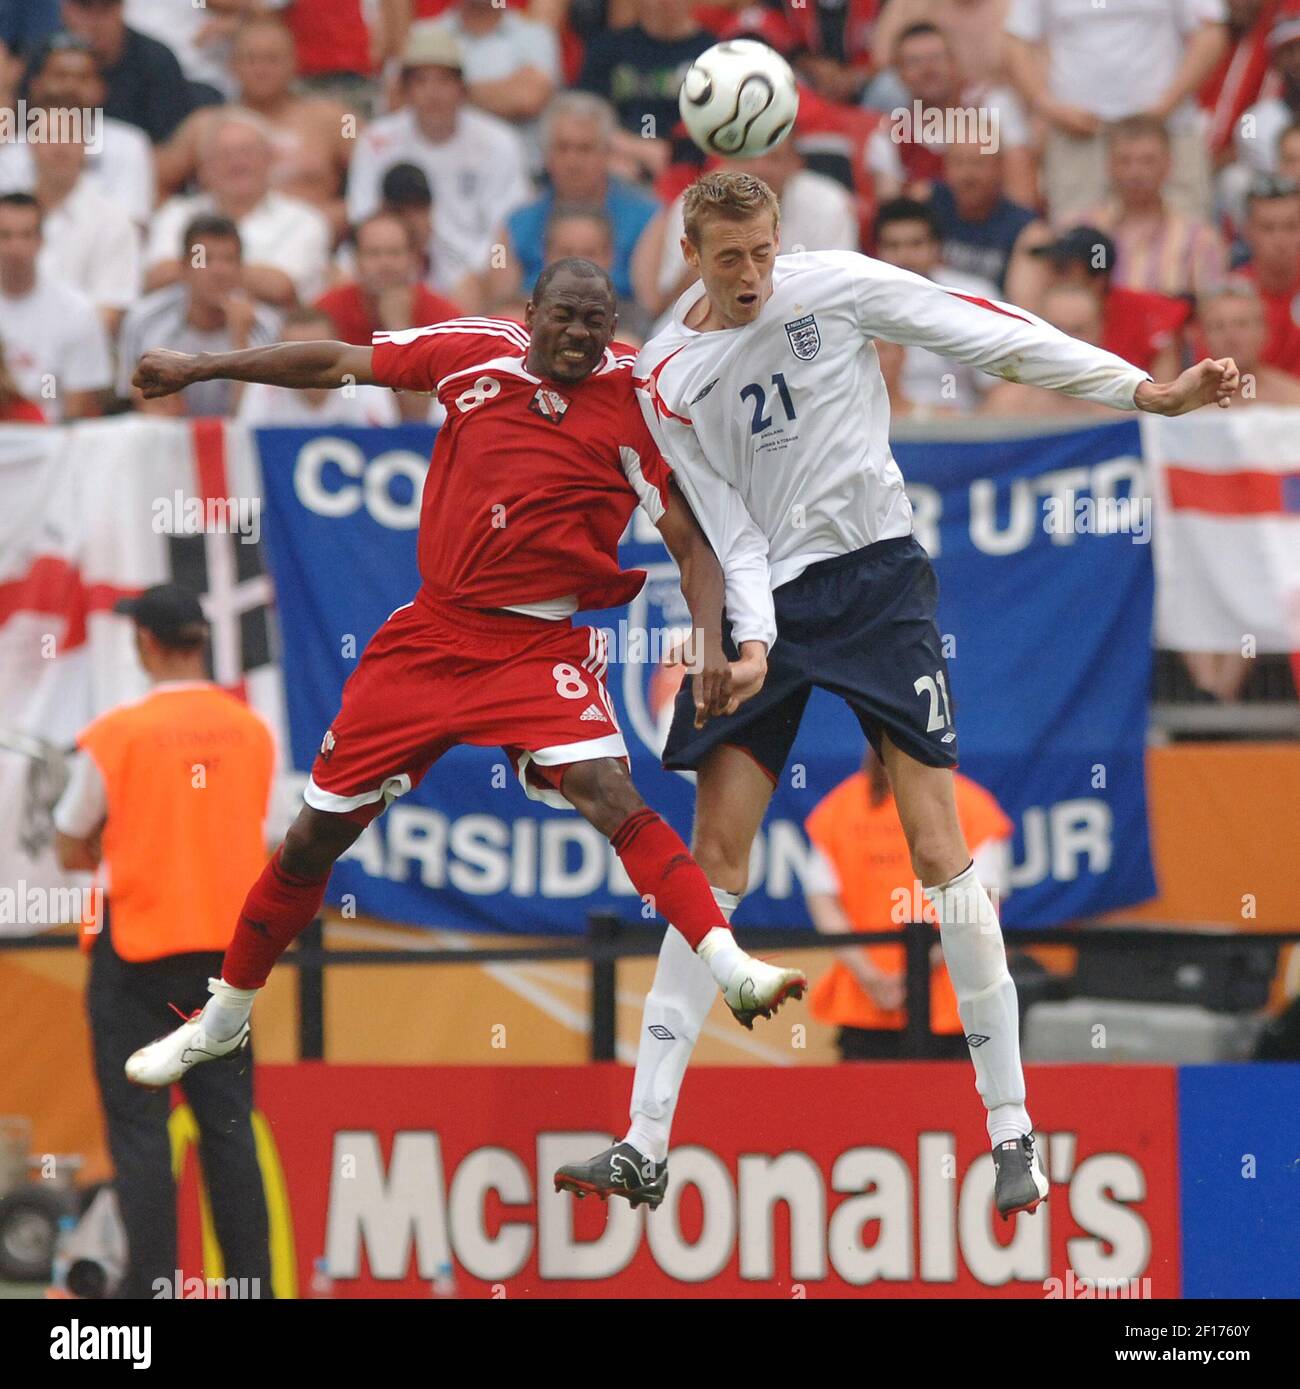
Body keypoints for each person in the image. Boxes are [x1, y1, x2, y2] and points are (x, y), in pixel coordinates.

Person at [553, 169, 1239, 1218]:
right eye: (727, 257)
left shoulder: (829, 284)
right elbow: (723, 524)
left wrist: (1135, 389)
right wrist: (744, 636)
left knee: (935, 844)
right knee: (713, 855)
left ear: (781, 239)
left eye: (761, 251)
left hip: (875, 580)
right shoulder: (664, 374)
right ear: (690, 256)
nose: (749, 275)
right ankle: (644, 1140)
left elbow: (979, 327)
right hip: (764, 603)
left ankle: (1011, 1127)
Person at [123, 258, 808, 1098]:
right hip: (429, 640)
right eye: (565, 316)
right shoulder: (471, 352)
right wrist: (201, 368)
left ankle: (728, 961)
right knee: (312, 838)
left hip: (535, 648)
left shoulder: (637, 399)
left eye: (597, 321)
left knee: (609, 792)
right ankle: (221, 1017)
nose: (580, 336)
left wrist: (708, 641)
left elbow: (692, 544)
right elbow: (335, 361)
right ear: (532, 312)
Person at [51, 584, 274, 1301]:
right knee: (230, 1134)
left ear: (146, 643)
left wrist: (103, 849)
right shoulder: (253, 731)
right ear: (199, 640)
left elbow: (67, 839)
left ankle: (146, 1294)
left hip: (136, 955)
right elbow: (270, 837)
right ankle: (252, 1290)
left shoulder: (117, 735)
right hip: (227, 967)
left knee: (142, 1136)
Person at [805, 745, 1013, 1062]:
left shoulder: (839, 806)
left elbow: (822, 901)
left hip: (935, 1008)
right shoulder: (971, 806)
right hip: (893, 1005)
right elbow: (983, 908)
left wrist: (881, 977)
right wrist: (892, 976)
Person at [345, 25, 530, 302]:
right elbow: (363, 214)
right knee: (341, 271)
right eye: (421, 81)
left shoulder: (498, 142)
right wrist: (403, 258)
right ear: (405, 89)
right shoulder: (376, 140)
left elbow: (505, 224)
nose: (433, 92)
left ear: (462, 88)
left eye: (444, 80)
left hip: (471, 262)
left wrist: (469, 270)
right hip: (396, 256)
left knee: (501, 267)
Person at [1003, 0, 1227, 222]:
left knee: (1186, 232)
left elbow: (1211, 34)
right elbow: (1017, 42)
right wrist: (1050, 107)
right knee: (1078, 240)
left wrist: (1164, 107)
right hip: (1078, 135)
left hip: (1166, 129)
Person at [157, 16, 356, 238]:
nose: (261, 69)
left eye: (272, 59)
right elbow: (157, 182)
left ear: (295, 62)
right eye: (251, 59)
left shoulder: (335, 121)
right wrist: (179, 228)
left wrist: (345, 214)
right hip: (223, 251)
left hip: (312, 247)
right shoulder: (203, 126)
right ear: (232, 65)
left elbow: (375, 172)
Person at [486, 91, 658, 310]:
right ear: (546, 154)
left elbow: (651, 304)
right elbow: (500, 301)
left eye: (584, 149)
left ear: (607, 153)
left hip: (620, 326)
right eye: (563, 148)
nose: (572, 161)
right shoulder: (516, 222)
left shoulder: (647, 217)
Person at [145, 107, 332, 308]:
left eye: (247, 152)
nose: (237, 163)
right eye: (224, 155)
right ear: (204, 168)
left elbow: (281, 286)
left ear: (270, 159)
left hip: (276, 336)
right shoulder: (178, 214)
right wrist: (246, 274)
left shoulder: (304, 220)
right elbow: (158, 275)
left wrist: (198, 268)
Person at [117, 214, 279, 417]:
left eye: (229, 260)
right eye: (203, 259)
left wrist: (240, 340)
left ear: (241, 270)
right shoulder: (145, 321)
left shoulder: (265, 326)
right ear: (183, 268)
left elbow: (257, 416)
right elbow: (132, 401)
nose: (218, 271)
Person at [2, 31, 155, 227]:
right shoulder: (10, 152)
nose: (70, 86)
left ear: (101, 89)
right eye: (60, 76)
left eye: (82, 78)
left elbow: (132, 225)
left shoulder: (129, 144)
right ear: (36, 85)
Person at [872, 196, 1001, 415]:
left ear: (937, 248)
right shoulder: (856, 303)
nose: (904, 256)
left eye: (916, 244)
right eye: (893, 246)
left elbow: (1000, 389)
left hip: (958, 432)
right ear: (877, 253)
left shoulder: (975, 297)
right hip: (882, 430)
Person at [1075, 115, 1228, 299]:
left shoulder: (1199, 239)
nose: (1135, 173)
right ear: (1109, 166)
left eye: (1147, 161)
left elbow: (1210, 312)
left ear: (1168, 165)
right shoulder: (1082, 231)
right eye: (1125, 161)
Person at [1014, 225, 1190, 377]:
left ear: (1098, 279)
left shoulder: (1147, 312)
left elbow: (1163, 395)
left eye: (1063, 269)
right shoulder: (1048, 312)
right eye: (1052, 268)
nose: (1052, 278)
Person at [0, 192, 111, 421]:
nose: (15, 247)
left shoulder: (77, 312)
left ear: (40, 240)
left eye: (25, 235)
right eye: (5, 236)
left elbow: (82, 410)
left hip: (53, 444)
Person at [60, 0, 201, 143]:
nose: (95, 21)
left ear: (121, 8)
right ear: (66, 9)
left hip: (143, 162)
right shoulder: (44, 61)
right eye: (85, 8)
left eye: (106, 8)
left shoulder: (156, 60)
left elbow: (174, 145)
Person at [238, 307, 400, 426]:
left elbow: (383, 442)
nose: (308, 362)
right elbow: (248, 445)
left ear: (339, 350)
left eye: (318, 352)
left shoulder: (366, 383)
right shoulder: (265, 389)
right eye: (296, 353)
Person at [981, 284, 1124, 417]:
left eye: (1077, 331)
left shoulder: (1122, 408)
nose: (1065, 342)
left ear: (1100, 331)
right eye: (1056, 329)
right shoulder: (1007, 405)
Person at [929, 137, 1047, 295]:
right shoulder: (927, 206)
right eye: (958, 162)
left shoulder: (1027, 229)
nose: (967, 175)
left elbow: (1024, 308)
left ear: (1000, 166)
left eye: (978, 163)